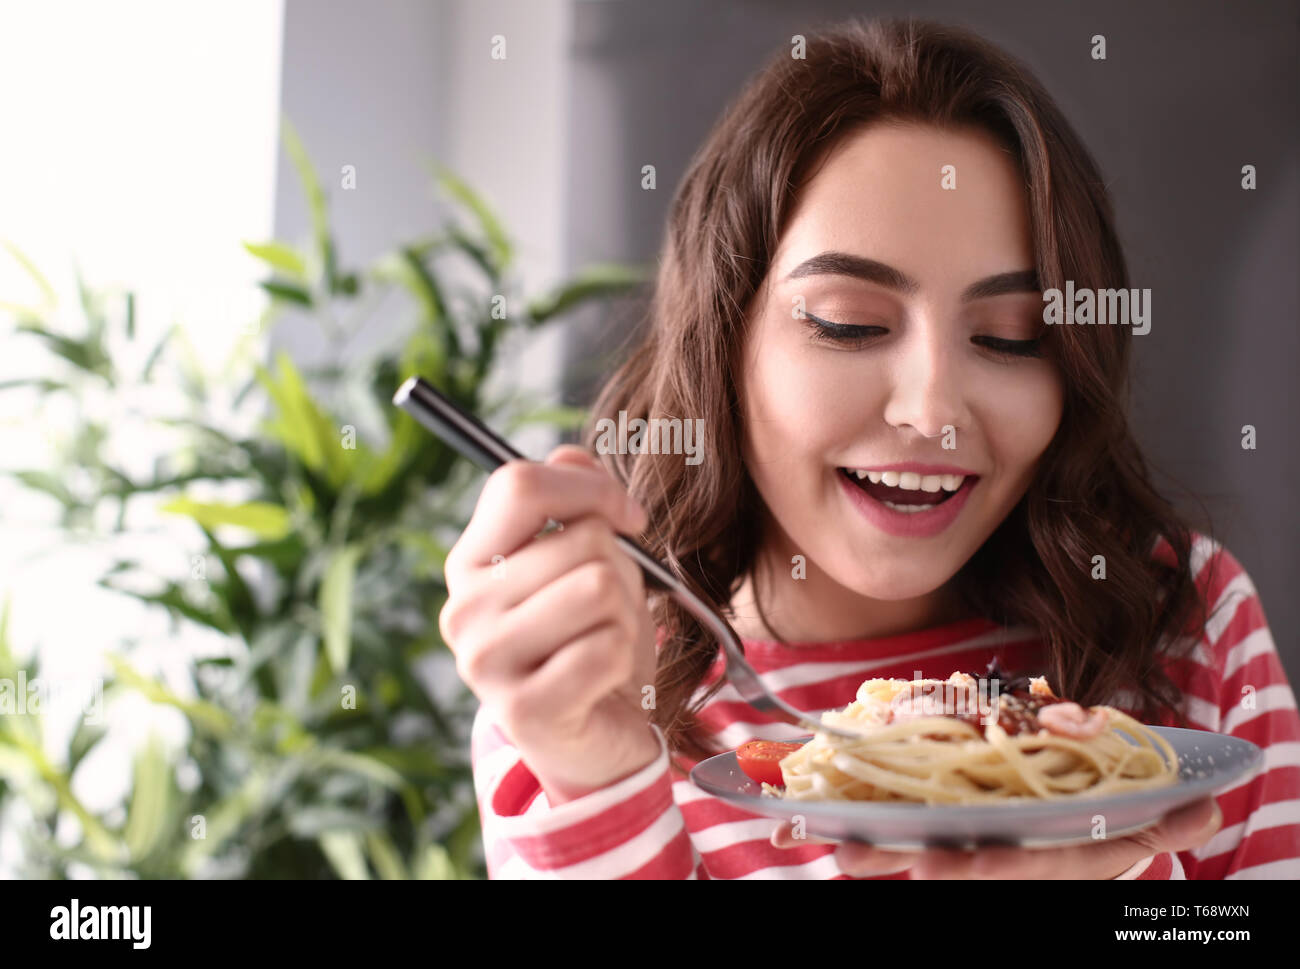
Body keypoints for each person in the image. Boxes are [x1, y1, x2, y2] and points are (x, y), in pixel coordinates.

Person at [439, 17, 1300, 879]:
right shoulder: (581, 687)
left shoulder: (1185, 621)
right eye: (847, 324)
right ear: (722, 342)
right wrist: (601, 776)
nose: (931, 410)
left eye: (1010, 335)